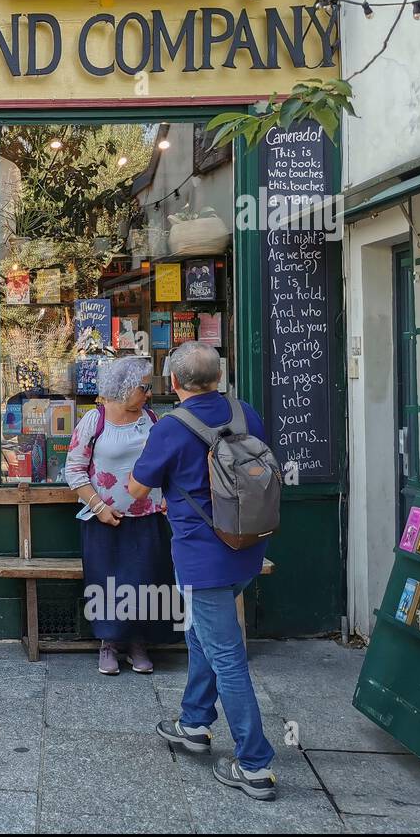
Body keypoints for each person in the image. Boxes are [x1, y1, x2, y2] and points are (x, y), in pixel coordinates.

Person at [129, 341, 277, 801]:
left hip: (202, 557)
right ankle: (194, 722)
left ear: (173, 383)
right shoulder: (244, 411)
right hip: (247, 546)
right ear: (219, 376)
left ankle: (254, 764)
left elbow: (137, 487)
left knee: (227, 656)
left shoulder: (172, 427)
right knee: (203, 636)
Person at [63, 355, 174, 676]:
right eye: (143, 387)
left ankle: (139, 642)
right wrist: (98, 507)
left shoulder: (152, 419)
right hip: (104, 518)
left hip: (148, 516)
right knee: (107, 582)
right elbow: (74, 469)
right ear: (124, 388)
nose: (148, 393)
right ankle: (108, 643)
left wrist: (165, 498)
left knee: (146, 580)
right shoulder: (94, 421)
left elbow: (165, 466)